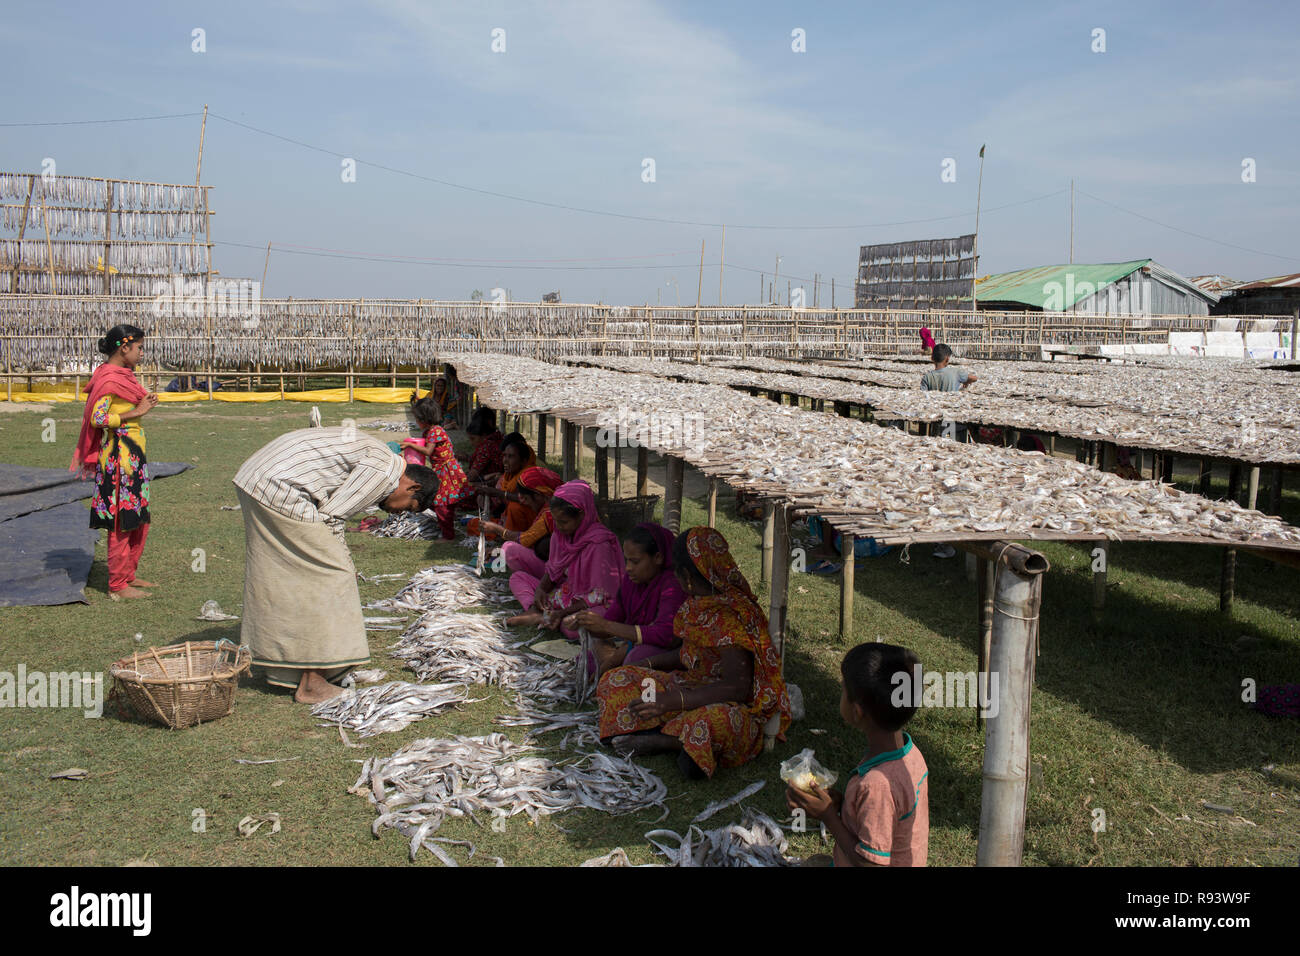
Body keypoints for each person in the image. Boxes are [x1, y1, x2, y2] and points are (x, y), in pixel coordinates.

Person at [233, 427, 437, 703]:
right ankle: (312, 682)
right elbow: (331, 517)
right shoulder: (384, 475)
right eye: (408, 507)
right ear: (412, 487)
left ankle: (292, 667)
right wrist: (344, 563)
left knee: (294, 576)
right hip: (278, 486)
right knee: (332, 577)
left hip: (257, 476)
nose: (396, 512)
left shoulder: (383, 459)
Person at [597, 527, 791, 779]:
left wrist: (670, 702)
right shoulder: (695, 604)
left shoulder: (731, 614)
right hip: (688, 687)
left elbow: (738, 688)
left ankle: (664, 740)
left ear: (686, 576)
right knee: (617, 680)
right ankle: (673, 733)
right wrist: (647, 664)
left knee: (712, 722)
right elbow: (686, 656)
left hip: (729, 704)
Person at [786, 642, 929, 867]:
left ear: (857, 711)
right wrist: (844, 806)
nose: (840, 690)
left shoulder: (876, 785)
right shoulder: (911, 755)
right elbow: (884, 818)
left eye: (843, 687)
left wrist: (829, 817)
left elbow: (871, 865)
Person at [71, 324, 160, 600]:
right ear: (125, 347)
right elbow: (97, 418)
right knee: (122, 518)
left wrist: (142, 404)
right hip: (118, 459)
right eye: (140, 348)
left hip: (133, 455)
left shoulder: (124, 376)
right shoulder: (109, 379)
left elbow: (126, 408)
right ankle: (117, 585)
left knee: (138, 515)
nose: (142, 353)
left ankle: (129, 574)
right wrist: (137, 411)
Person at [505, 479, 624, 638]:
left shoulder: (599, 543)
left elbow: (601, 594)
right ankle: (537, 611)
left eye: (564, 522)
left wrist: (563, 613)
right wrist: (541, 589)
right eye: (556, 521)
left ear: (582, 514)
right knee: (517, 578)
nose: (559, 527)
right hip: (566, 593)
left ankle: (551, 617)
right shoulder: (559, 536)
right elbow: (554, 570)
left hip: (590, 602)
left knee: (574, 626)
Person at [570, 523, 687, 678]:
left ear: (658, 557)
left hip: (667, 651)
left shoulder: (673, 584)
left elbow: (667, 635)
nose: (628, 568)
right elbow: (612, 619)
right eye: (627, 561)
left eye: (635, 561)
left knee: (636, 659)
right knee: (586, 660)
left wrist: (607, 628)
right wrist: (587, 623)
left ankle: (616, 668)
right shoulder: (632, 582)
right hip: (633, 644)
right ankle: (614, 666)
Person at [398, 392, 466, 539]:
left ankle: (448, 536)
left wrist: (410, 444)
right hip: (441, 470)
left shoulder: (435, 431)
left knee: (442, 503)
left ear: (424, 419)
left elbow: (428, 451)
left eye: (417, 419)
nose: (416, 421)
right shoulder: (430, 431)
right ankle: (447, 524)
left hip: (447, 472)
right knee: (441, 501)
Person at [466, 433, 536, 538]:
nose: (505, 461)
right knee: (473, 524)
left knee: (514, 507)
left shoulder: (531, 476)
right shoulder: (510, 473)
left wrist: (496, 493)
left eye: (511, 456)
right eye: (504, 456)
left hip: (530, 523)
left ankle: (512, 535)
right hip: (507, 516)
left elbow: (527, 499)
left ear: (524, 460)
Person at [493, 465, 562, 566]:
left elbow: (525, 540)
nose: (522, 501)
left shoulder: (549, 514)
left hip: (559, 569)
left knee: (509, 549)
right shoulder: (550, 506)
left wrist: (495, 529)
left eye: (526, 498)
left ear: (538, 496)